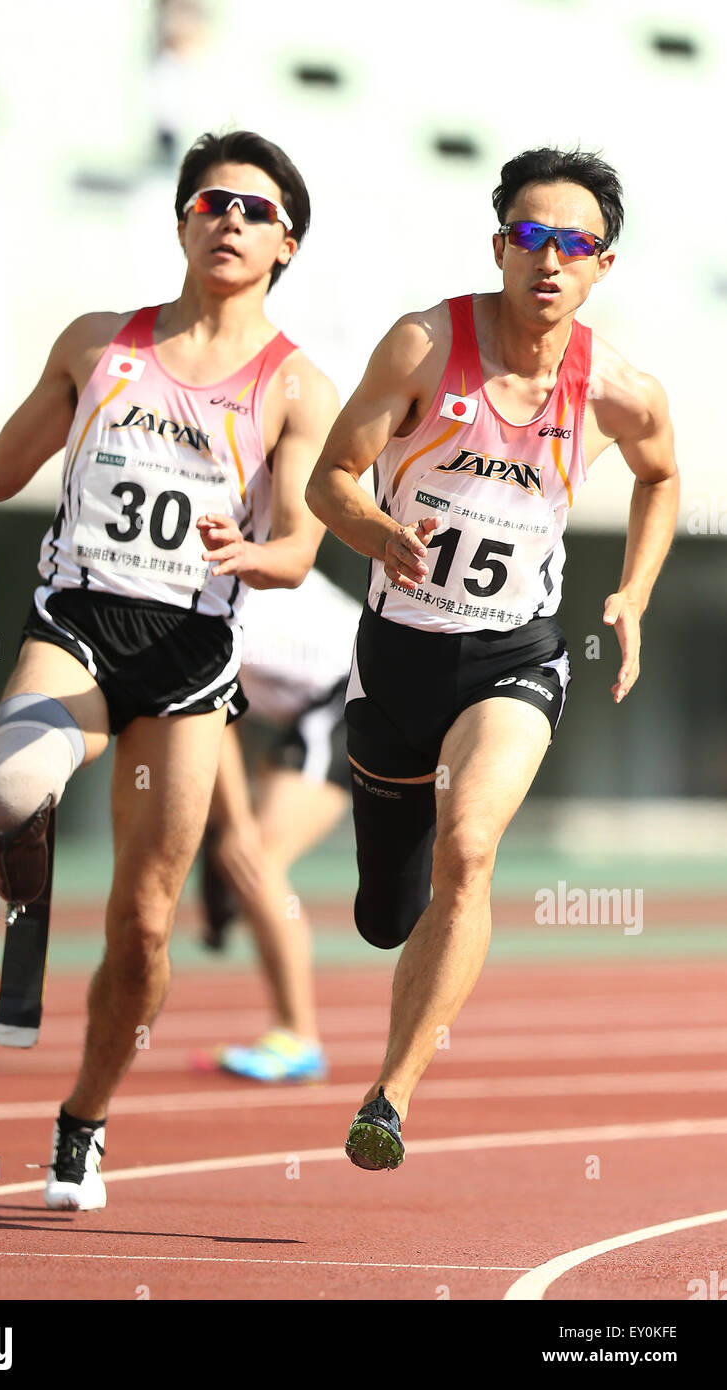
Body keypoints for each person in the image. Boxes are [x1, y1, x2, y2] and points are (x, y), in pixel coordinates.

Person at [0, 129, 338, 1208]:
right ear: (180, 221)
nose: (229, 220)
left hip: (189, 663)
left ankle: (85, 1117)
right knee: (13, 785)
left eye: (255, 210)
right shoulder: (99, 345)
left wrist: (251, 555)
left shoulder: (295, 387)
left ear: (286, 245)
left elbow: (300, 549)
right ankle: (19, 861)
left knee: (143, 929)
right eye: (211, 202)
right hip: (76, 625)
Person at [305, 147, 679, 1171]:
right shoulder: (424, 346)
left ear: (601, 265)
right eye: (531, 237)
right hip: (397, 656)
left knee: (469, 848)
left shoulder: (618, 388)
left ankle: (390, 1095)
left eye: (574, 244)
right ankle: (395, 906)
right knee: (386, 914)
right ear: (499, 246)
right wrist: (378, 532)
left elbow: (659, 476)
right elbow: (329, 478)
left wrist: (634, 591)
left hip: (515, 656)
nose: (549, 260)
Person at [194, 564, 361, 1082]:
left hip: (349, 695)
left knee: (255, 859)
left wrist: (233, 826)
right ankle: (293, 1033)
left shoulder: (199, 596)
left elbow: (212, 716)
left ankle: (299, 1036)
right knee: (246, 856)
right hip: (330, 701)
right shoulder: (211, 581)